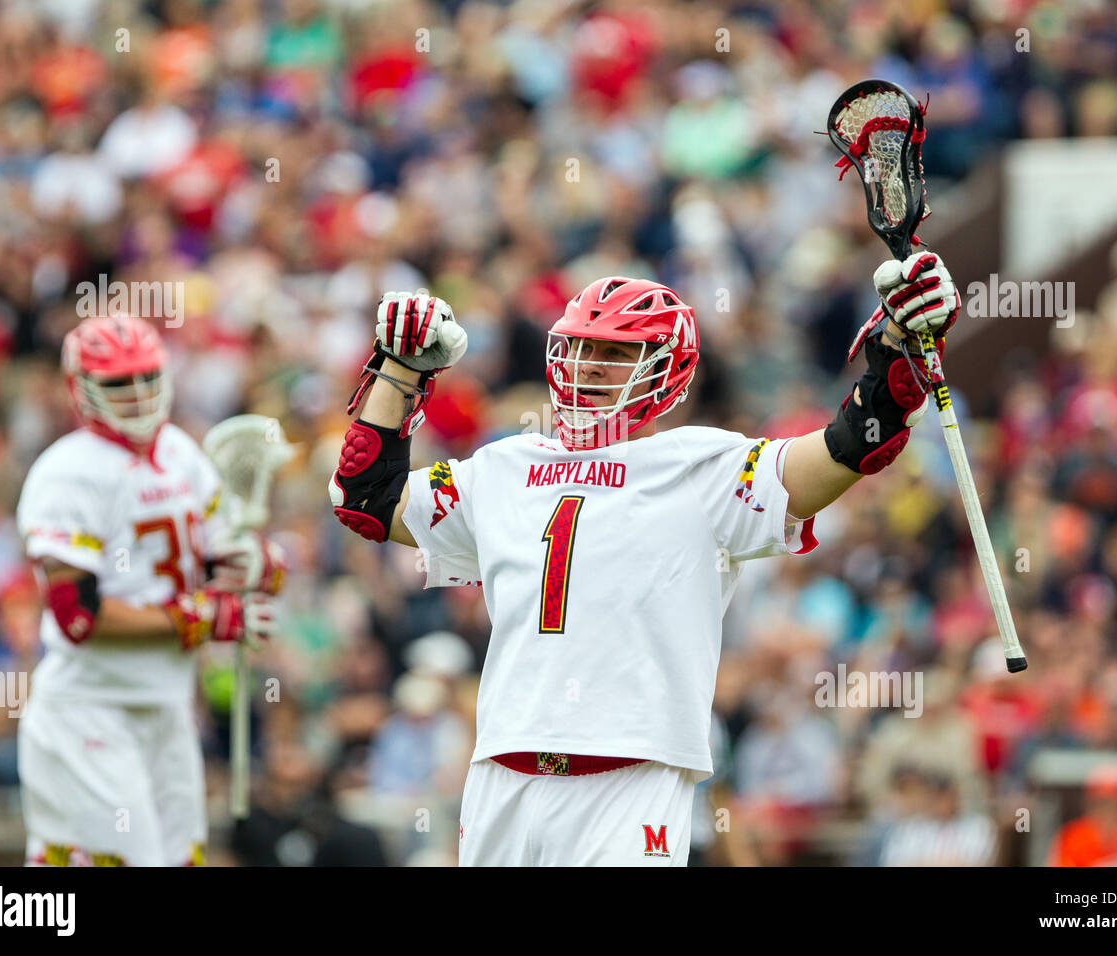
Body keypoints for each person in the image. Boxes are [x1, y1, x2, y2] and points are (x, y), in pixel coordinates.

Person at [330, 254, 961, 866]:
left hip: (629, 776)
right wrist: (398, 368)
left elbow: (845, 450)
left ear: (666, 367)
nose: (589, 364)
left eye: (614, 352)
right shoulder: (503, 465)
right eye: (580, 346)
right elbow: (366, 496)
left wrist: (895, 352)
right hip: (502, 771)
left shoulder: (702, 466)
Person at [15, 313, 285, 866]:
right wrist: (201, 619)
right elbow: (78, 617)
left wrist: (257, 565)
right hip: (90, 709)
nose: (136, 394)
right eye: (118, 382)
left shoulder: (182, 453)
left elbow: (216, 558)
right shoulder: (67, 472)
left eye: (145, 376)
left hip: (166, 704)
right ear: (81, 388)